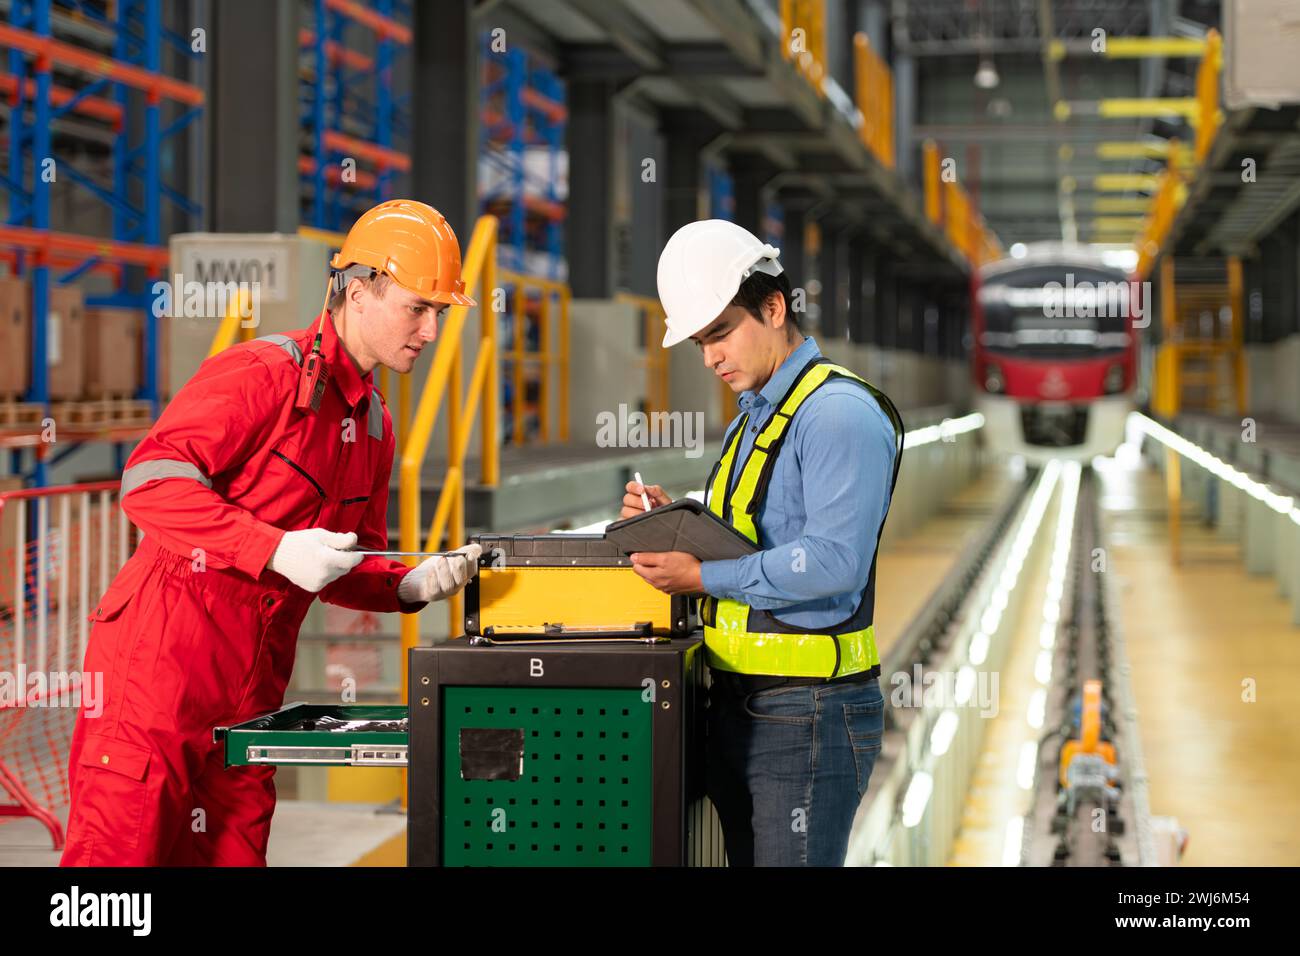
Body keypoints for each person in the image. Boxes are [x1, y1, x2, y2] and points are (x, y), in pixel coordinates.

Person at [61, 199, 481, 866]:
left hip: (250, 703)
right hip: (158, 680)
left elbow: (343, 567)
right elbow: (148, 483)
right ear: (360, 290)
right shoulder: (262, 374)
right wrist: (274, 547)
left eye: (440, 314)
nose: (431, 332)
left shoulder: (373, 425)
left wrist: (410, 582)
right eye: (418, 308)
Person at [622, 219, 904, 866]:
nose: (711, 357)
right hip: (742, 702)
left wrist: (700, 579)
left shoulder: (836, 414)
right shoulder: (756, 417)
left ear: (774, 308)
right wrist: (669, 522)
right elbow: (748, 541)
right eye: (699, 342)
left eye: (721, 333)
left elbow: (834, 563)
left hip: (807, 715)